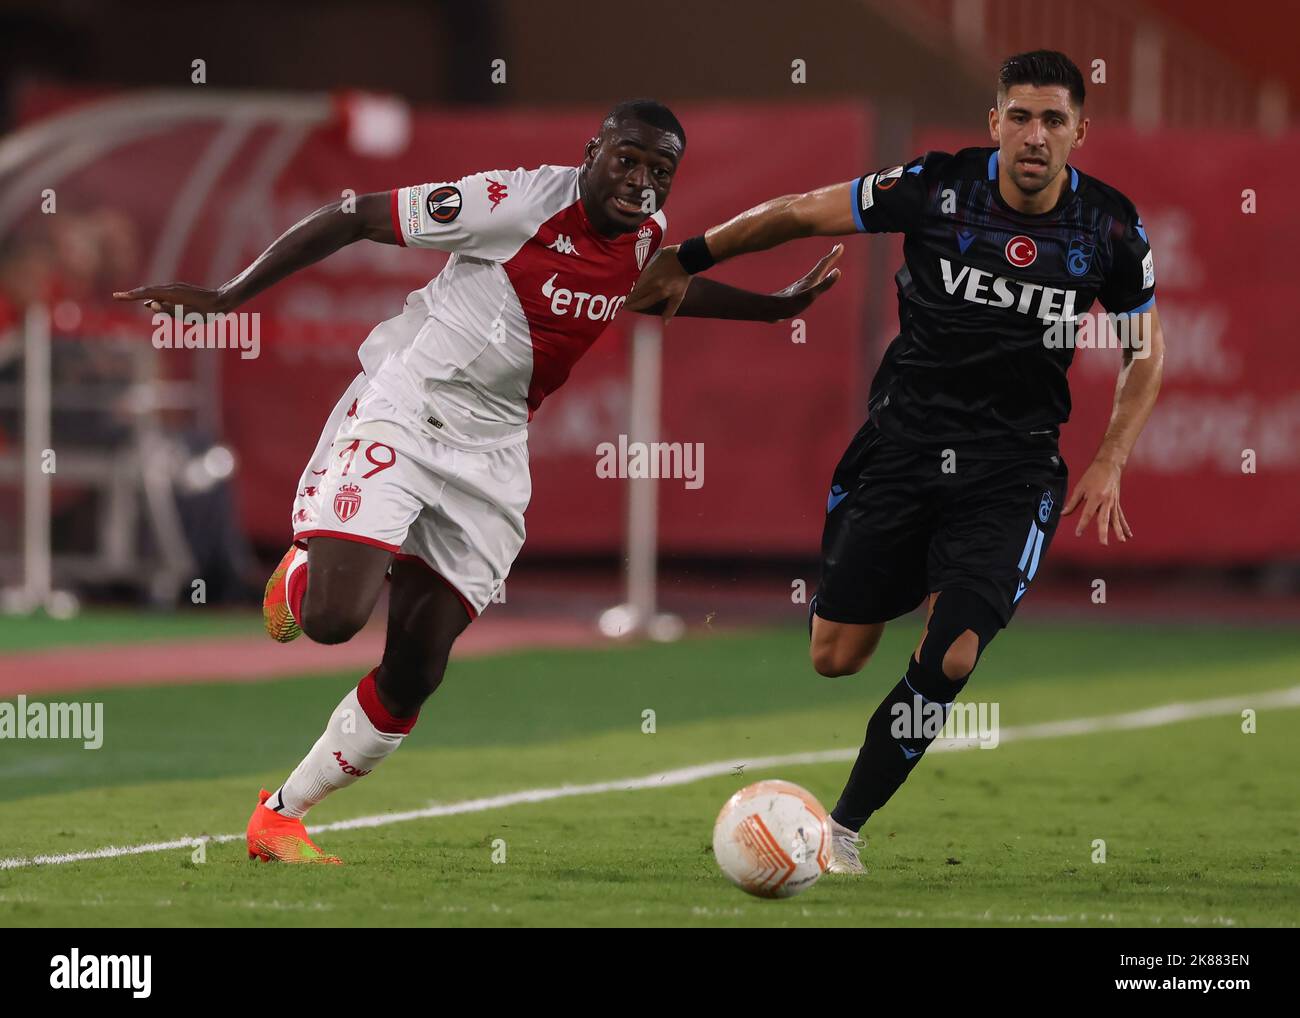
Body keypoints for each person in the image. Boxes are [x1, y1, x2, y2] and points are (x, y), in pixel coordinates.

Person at [114, 98, 842, 864]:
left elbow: (657, 290)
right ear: (591, 150)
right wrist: (230, 296)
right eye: (626, 159)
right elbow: (358, 214)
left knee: (416, 671)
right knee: (331, 621)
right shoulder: (515, 200)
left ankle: (280, 815)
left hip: (493, 456)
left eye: (660, 170)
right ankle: (311, 564)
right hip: (409, 409)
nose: (640, 180)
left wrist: (771, 312)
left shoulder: (647, 238)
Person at [629, 53, 1165, 874]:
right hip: (902, 449)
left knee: (952, 653)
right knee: (835, 656)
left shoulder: (1111, 231)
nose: (1035, 135)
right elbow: (803, 212)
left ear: (1079, 134)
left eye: (1053, 120)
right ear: (994, 123)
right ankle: (922, 567)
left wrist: (1111, 458)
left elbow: (1144, 349)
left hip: (1013, 470)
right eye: (1019, 116)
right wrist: (692, 257)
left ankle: (841, 828)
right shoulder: (936, 189)